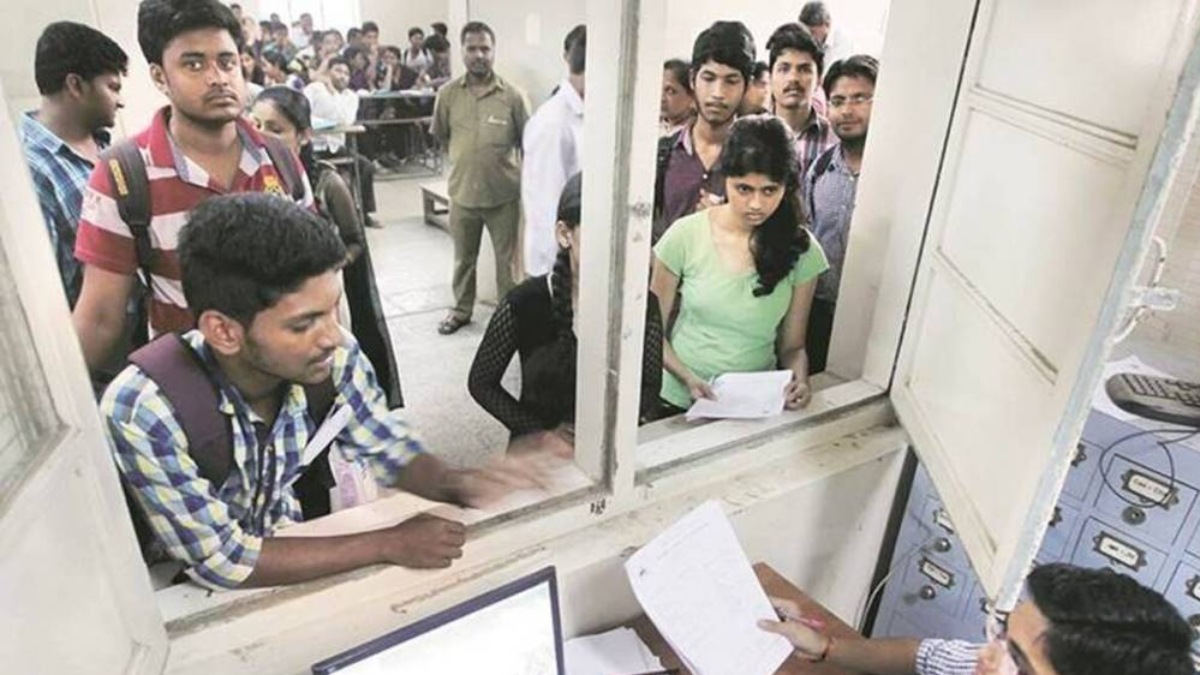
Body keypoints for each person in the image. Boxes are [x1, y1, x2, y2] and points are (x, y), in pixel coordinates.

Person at [105, 193, 553, 590]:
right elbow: (222, 560)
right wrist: (386, 543)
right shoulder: (145, 410)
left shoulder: (333, 356)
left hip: (287, 539)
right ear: (224, 331)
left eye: (332, 309)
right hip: (176, 593)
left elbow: (387, 447)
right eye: (303, 324)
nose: (333, 336)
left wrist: (463, 484)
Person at [72, 0, 313, 374]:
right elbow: (100, 319)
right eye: (194, 64)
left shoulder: (279, 158)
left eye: (227, 61)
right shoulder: (123, 175)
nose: (218, 78)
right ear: (159, 77)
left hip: (286, 376)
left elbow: (315, 277)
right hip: (189, 388)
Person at [651, 115, 827, 415]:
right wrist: (688, 378)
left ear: (786, 187)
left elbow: (792, 346)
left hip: (755, 404)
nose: (756, 204)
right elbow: (652, 333)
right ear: (725, 178)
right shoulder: (685, 235)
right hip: (678, 399)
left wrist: (800, 380)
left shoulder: (802, 250)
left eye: (769, 190)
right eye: (744, 189)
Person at [470, 173, 663, 445]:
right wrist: (541, 434)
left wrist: (611, 426)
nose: (612, 246)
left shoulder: (640, 304)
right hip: (539, 455)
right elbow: (481, 383)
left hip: (608, 450)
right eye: (599, 232)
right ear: (564, 234)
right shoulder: (524, 303)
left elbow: (650, 385)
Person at [759, 563, 1194, 675]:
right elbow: (922, 656)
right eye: (1001, 634)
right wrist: (827, 648)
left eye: (1017, 660)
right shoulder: (988, 663)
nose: (986, 655)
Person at [251, 87, 401, 407]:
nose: (261, 136)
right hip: (268, 302)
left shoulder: (325, 182)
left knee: (325, 373)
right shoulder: (249, 179)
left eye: (275, 129)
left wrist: (325, 268)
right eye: (256, 125)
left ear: (304, 135)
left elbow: (354, 240)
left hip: (322, 299)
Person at [20, 22, 127, 309]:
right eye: (113, 87)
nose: (120, 102)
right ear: (75, 85)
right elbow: (44, 294)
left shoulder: (105, 146)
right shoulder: (30, 170)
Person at [432, 21, 530, 335]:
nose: (479, 55)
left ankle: (509, 318)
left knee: (508, 264)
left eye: (485, 49)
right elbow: (442, 138)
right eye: (472, 48)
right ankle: (461, 310)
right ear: (461, 51)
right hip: (462, 195)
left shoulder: (513, 96)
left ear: (494, 51)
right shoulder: (447, 95)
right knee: (463, 260)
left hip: (504, 196)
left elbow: (528, 144)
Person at [803, 55, 877, 374]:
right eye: (838, 101)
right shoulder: (819, 170)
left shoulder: (897, 173)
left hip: (875, 316)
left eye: (859, 98)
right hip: (820, 310)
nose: (847, 110)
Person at [653, 21, 755, 242]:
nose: (718, 93)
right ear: (692, 80)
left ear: (746, 86)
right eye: (708, 78)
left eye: (731, 81)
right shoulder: (661, 155)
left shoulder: (759, 159)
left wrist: (732, 223)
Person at [521, 24, 586, 277]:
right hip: (556, 262)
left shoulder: (586, 113)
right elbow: (546, 206)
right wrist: (555, 269)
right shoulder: (553, 122)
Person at [767, 23, 835, 181]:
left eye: (804, 69)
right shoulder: (749, 134)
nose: (793, 78)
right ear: (770, 77)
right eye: (784, 69)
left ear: (819, 80)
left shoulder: (834, 141)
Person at [799, 1, 856, 75]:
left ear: (827, 24)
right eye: (806, 31)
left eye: (812, 32)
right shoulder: (803, 37)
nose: (808, 36)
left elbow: (839, 73)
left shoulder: (844, 41)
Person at [660, 58, 695, 137]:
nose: (662, 98)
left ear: (692, 97)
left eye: (670, 91)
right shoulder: (650, 126)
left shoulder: (693, 135)